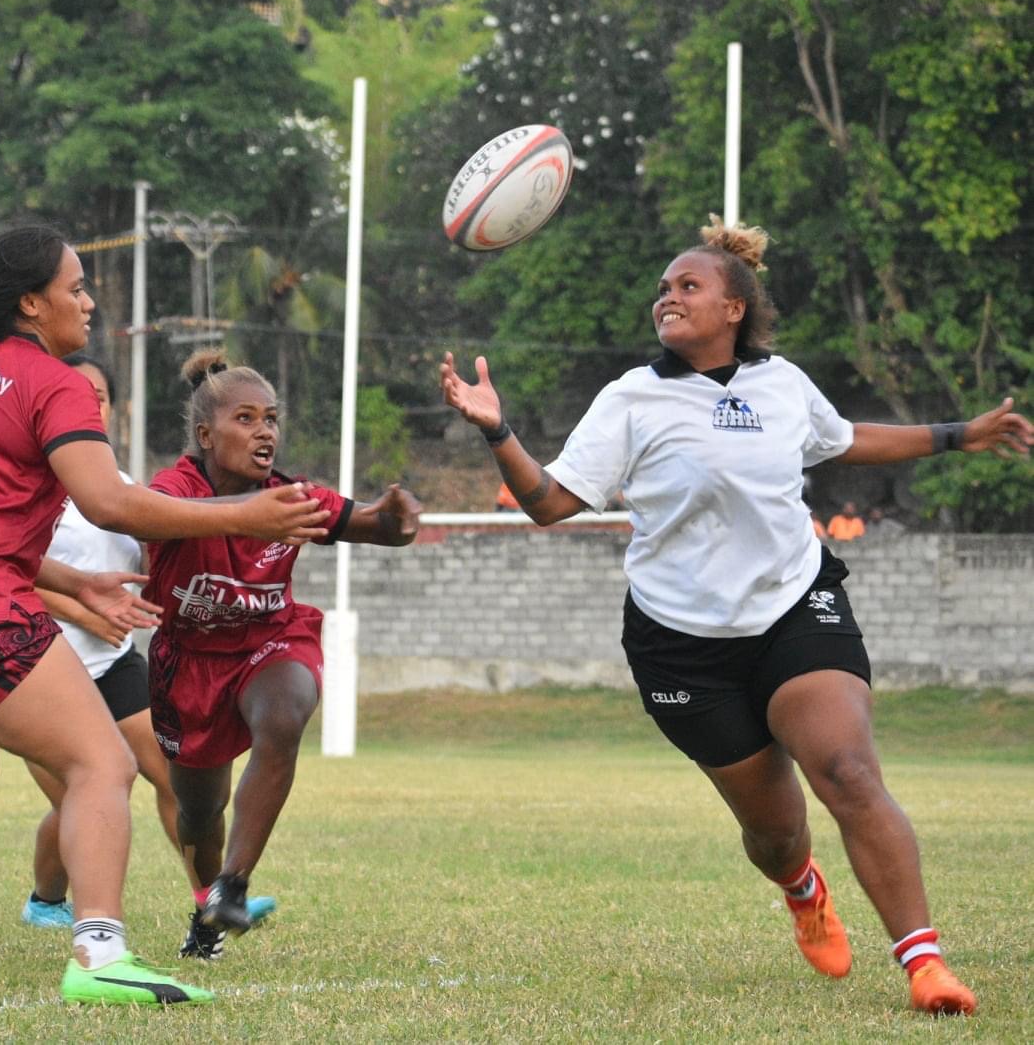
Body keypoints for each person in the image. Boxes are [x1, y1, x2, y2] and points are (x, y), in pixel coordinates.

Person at [439, 216, 1033, 1017]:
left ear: (734, 309)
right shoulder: (632, 397)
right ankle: (802, 889)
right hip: (681, 645)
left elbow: (847, 439)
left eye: (688, 286)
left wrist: (961, 434)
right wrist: (498, 431)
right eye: (663, 289)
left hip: (795, 607)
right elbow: (550, 502)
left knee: (849, 771)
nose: (668, 299)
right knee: (777, 831)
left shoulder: (782, 384)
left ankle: (926, 964)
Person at [0, 225, 330, 1007]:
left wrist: (75, 583)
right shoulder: (49, 380)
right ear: (31, 303)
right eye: (76, 287)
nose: (89, 302)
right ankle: (99, 953)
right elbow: (111, 501)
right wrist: (246, 513)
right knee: (105, 764)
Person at [148, 350, 421, 961]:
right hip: (188, 665)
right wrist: (245, 517)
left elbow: (374, 525)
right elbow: (149, 517)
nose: (264, 430)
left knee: (285, 713)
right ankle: (207, 909)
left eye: (270, 418)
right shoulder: (177, 488)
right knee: (197, 811)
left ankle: (236, 884)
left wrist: (397, 523)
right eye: (244, 419)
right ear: (205, 436)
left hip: (268, 643)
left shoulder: (290, 496)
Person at [15, 355, 279, 935]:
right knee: (77, 796)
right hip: (42, 663)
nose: (89, 406)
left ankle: (210, 896)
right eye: (75, 394)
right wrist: (85, 606)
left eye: (100, 397)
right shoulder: (26, 488)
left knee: (171, 778)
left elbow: (167, 549)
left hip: (112, 664)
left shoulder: (124, 492)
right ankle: (46, 899)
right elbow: (14, 573)